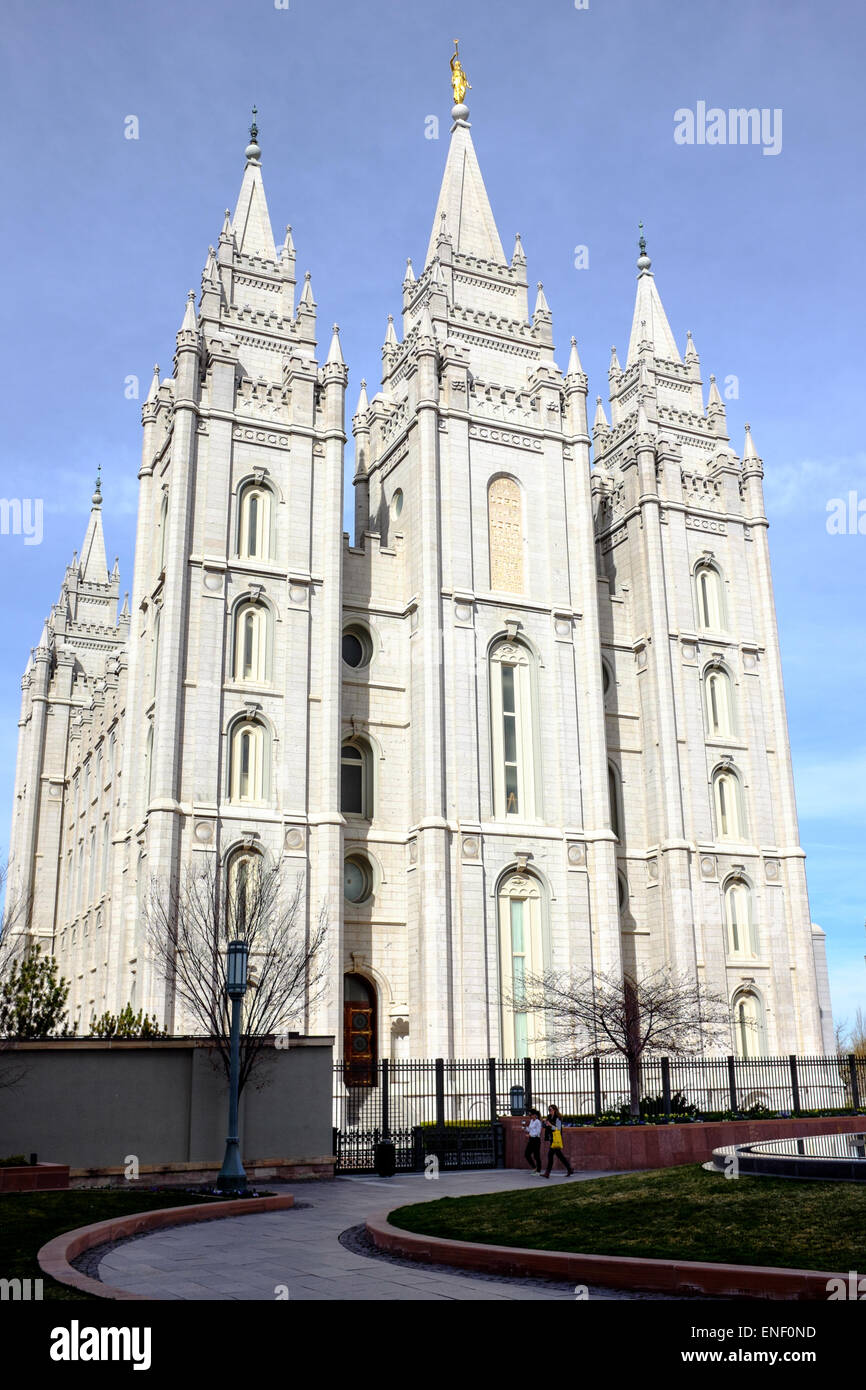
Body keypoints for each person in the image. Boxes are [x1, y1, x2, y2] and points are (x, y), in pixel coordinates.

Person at [542, 1103, 574, 1177]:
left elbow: (558, 1129)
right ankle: (569, 1169)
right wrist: (545, 1123)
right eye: (548, 1110)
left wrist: (550, 1125)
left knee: (550, 1155)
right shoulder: (549, 1117)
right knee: (559, 1155)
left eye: (550, 1110)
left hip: (555, 1139)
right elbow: (545, 1127)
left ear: (555, 1110)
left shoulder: (558, 1118)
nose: (549, 1111)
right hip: (551, 1138)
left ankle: (547, 1173)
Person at [522, 1108, 543, 1174]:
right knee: (527, 1154)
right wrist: (525, 1128)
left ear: (535, 1115)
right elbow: (530, 1130)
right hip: (531, 1140)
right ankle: (534, 1167)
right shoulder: (531, 1121)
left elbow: (538, 1132)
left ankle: (538, 1170)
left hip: (536, 1140)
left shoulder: (538, 1122)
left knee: (536, 1155)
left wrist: (530, 1135)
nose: (530, 1116)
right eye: (529, 1115)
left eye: (531, 1115)